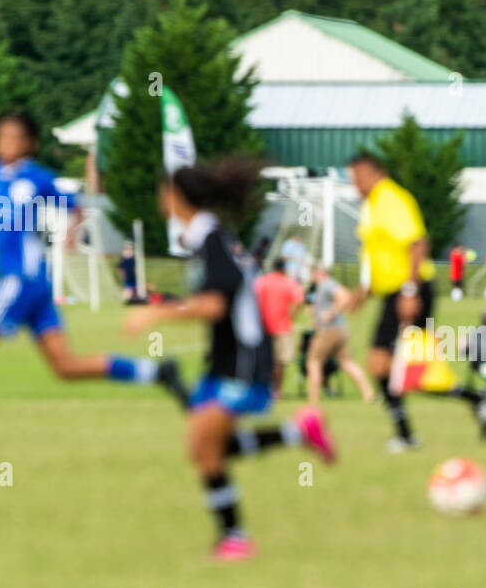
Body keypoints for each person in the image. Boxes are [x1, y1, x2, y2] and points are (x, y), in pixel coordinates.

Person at [0, 111, 188, 466]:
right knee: (65, 367)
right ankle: (158, 373)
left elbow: (74, 206)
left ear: (29, 143)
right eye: (1, 136)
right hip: (35, 287)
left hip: (21, 282)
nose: (6, 143)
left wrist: (71, 236)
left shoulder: (36, 177)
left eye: (14, 137)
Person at [124, 158, 336, 560]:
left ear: (174, 196)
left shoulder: (211, 241)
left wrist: (157, 312)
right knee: (204, 448)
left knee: (206, 448)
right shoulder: (209, 238)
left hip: (241, 358)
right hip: (225, 356)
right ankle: (296, 434)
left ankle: (236, 537)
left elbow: (216, 304)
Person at [343, 151, 486, 450]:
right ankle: (469, 404)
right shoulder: (372, 205)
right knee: (385, 367)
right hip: (394, 293)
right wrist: (363, 292)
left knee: (411, 371)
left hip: (411, 292)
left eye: (357, 178)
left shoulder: (390, 199)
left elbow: (417, 242)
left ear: (374, 173)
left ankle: (413, 432)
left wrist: (410, 292)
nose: (355, 185)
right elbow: (384, 258)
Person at [306, 264, 375, 406]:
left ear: (320, 273)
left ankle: (313, 400)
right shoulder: (323, 286)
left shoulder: (327, 284)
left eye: (313, 273)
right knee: (347, 363)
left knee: (313, 361)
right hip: (339, 330)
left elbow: (344, 296)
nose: (312, 276)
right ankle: (369, 393)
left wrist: (330, 314)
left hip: (329, 330)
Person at [254, 259, 305, 397]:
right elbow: (299, 300)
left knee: (265, 360)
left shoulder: (261, 282)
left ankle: (264, 389)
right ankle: (276, 391)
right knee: (279, 361)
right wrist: (291, 316)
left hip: (263, 326)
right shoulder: (287, 282)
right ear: (283, 269)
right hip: (282, 326)